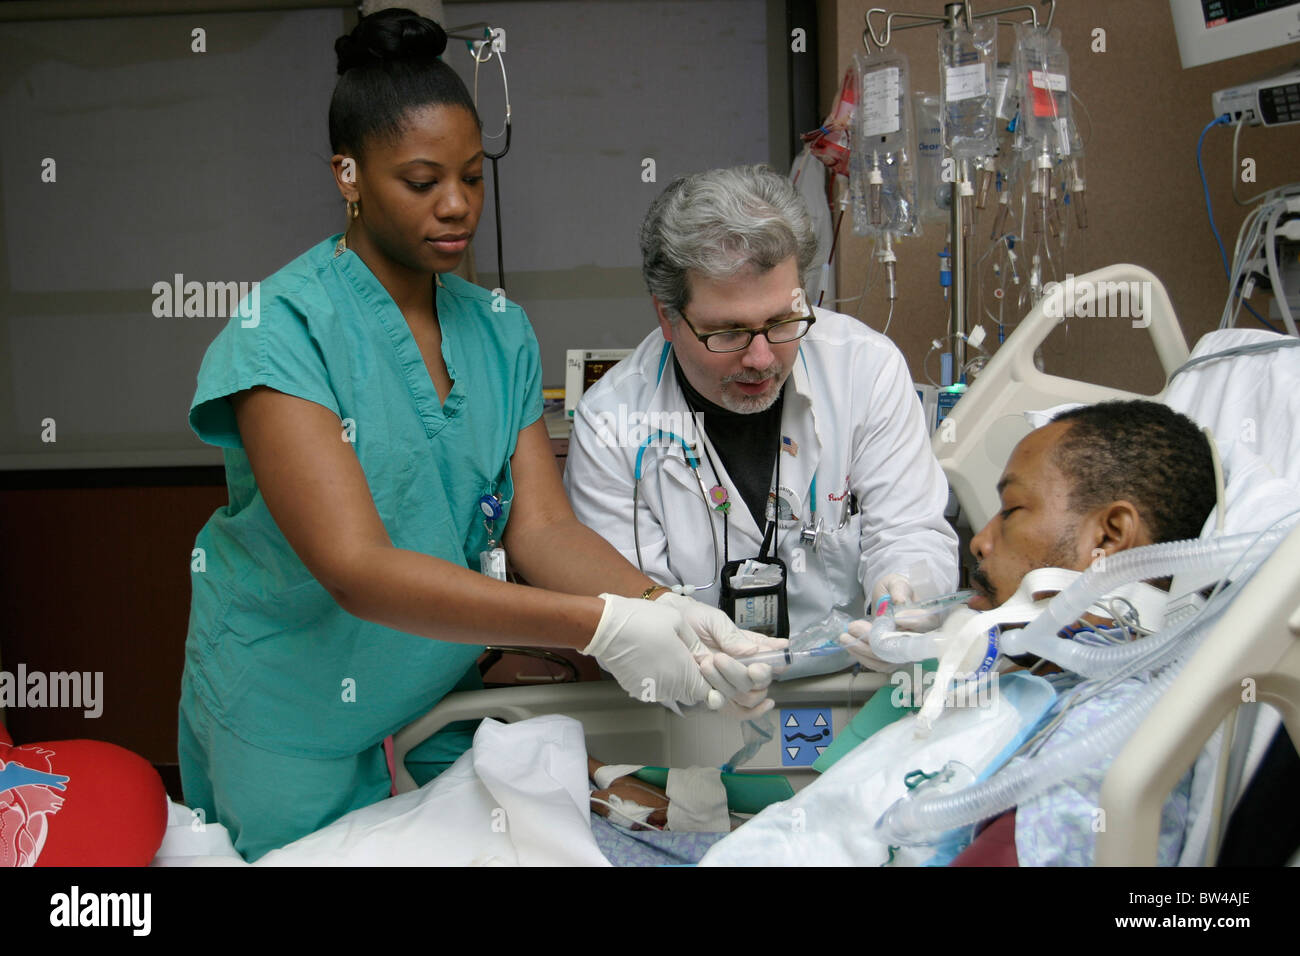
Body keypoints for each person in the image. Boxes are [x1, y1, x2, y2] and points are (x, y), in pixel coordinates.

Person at [179, 9, 774, 863]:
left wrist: (663, 611)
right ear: (348, 175)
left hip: (433, 692)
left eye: (470, 177)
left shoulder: (498, 330)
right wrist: (597, 628)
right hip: (290, 706)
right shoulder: (283, 331)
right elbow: (357, 569)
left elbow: (541, 528)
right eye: (420, 182)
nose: (456, 205)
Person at [564, 165, 959, 647]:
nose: (761, 358)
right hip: (695, 696)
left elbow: (910, 530)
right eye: (728, 331)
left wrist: (902, 596)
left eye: (782, 321)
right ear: (667, 317)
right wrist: (687, 657)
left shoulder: (865, 369)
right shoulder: (612, 423)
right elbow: (627, 606)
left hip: (849, 677)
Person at [946, 399, 1218, 865]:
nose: (980, 541)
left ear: (1109, 537)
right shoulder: (1050, 690)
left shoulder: (1099, 744)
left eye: (1011, 509)